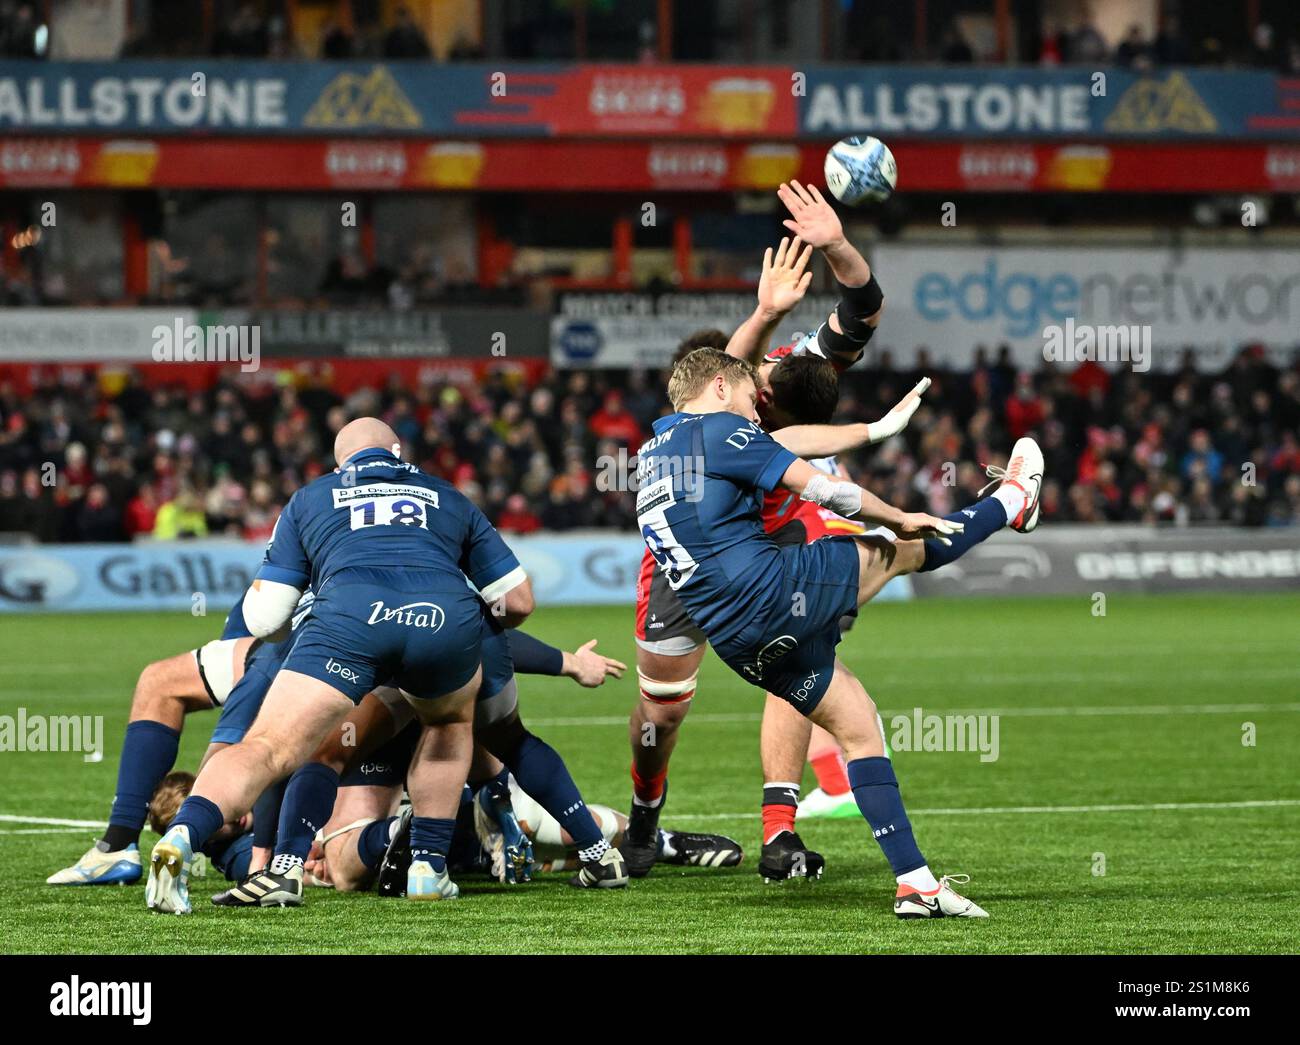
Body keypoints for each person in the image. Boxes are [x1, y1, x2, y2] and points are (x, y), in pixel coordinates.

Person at [636, 348, 1045, 916]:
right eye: (754, 397)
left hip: (733, 639)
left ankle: (917, 886)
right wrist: (897, 514)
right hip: (773, 592)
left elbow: (781, 448)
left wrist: (872, 429)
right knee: (902, 548)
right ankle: (1013, 501)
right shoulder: (722, 429)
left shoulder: (656, 453)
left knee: (858, 724)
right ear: (722, 388)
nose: (759, 410)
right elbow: (829, 490)